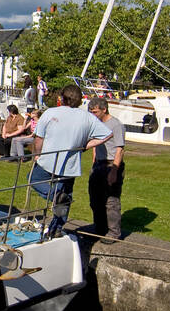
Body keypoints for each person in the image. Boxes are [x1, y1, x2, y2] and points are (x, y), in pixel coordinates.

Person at [29, 84, 112, 239]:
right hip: (70, 164)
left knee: (34, 179)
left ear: (62, 98)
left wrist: (37, 154)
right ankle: (57, 228)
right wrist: (84, 146)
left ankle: (54, 196)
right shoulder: (87, 117)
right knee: (65, 195)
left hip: (48, 159)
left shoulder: (50, 112)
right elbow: (107, 135)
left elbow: (39, 138)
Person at [87, 97, 125, 243]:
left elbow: (119, 149)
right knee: (95, 199)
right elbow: (96, 144)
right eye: (91, 112)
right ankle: (100, 228)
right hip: (98, 164)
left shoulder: (116, 125)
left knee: (111, 201)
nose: (93, 115)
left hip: (111, 164)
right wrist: (94, 161)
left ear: (104, 109)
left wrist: (114, 170)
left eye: (95, 112)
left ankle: (114, 232)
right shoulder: (96, 124)